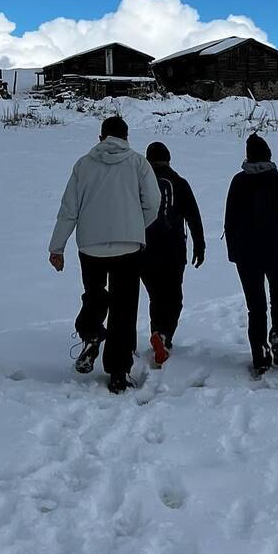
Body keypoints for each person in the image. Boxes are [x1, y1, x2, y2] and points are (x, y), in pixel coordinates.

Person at [48, 115, 161, 394]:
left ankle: (92, 333)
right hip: (128, 247)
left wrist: (57, 247)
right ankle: (118, 373)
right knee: (124, 308)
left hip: (91, 246)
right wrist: (135, 226)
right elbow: (154, 203)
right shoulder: (138, 163)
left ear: (101, 137)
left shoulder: (84, 165)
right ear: (126, 137)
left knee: (95, 295)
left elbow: (69, 209)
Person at [224, 133, 278, 376]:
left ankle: (259, 352)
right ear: (269, 155)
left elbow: (230, 220)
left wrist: (233, 251)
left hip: (246, 253)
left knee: (255, 306)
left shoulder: (239, 181)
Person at [139, 141, 206, 366]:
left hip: (143, 250)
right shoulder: (179, 183)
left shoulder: (138, 183)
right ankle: (165, 336)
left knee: (155, 296)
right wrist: (200, 245)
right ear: (169, 159)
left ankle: (157, 331)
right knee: (174, 297)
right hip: (173, 250)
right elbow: (194, 217)